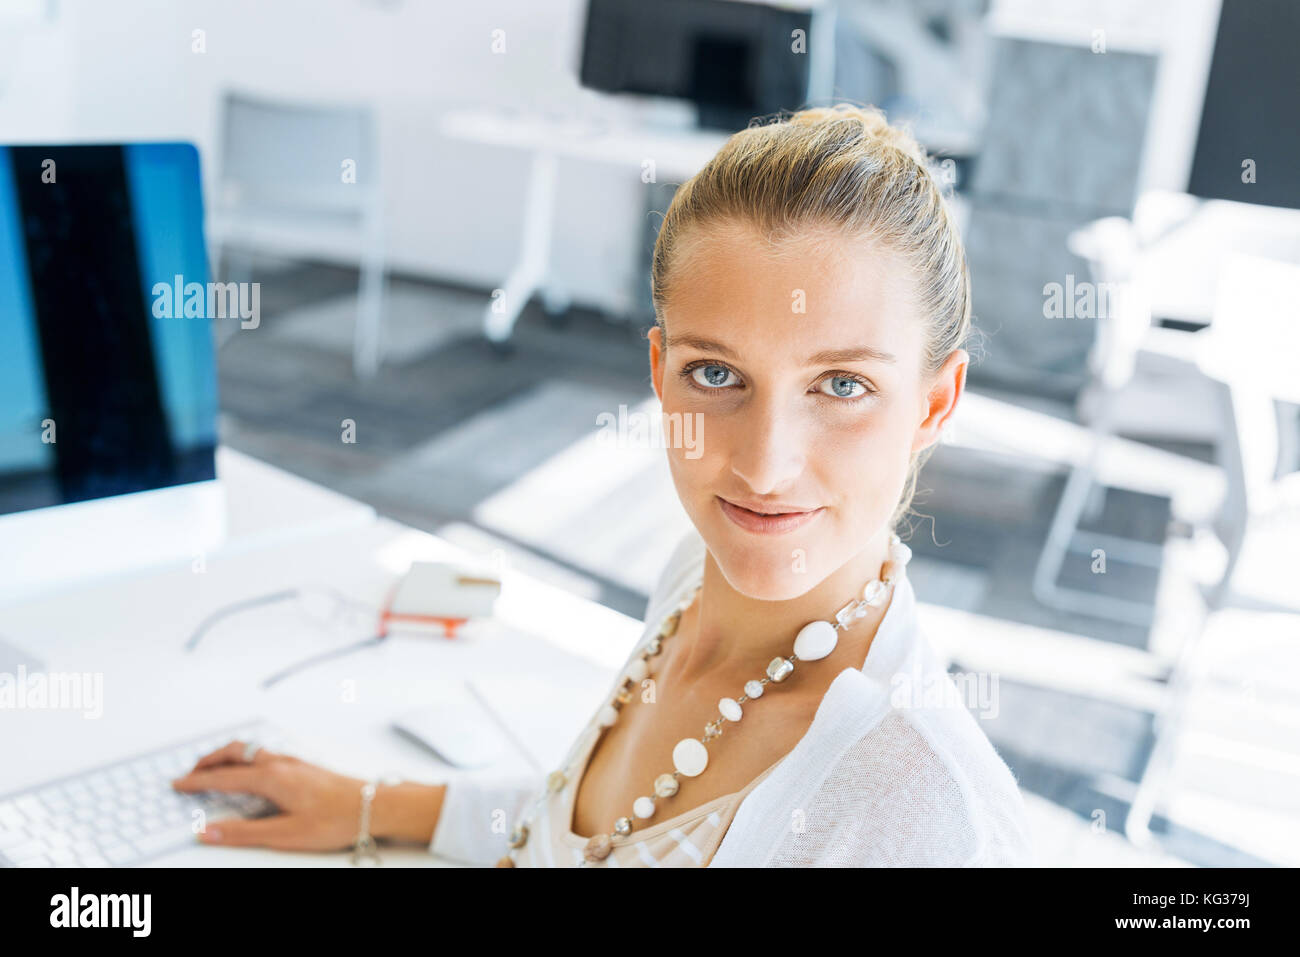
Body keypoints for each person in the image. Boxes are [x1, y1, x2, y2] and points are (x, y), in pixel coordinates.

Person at [172, 103, 1036, 867]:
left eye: (842, 386)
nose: (764, 467)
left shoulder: (916, 808)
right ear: (660, 374)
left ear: (933, 402)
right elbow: (600, 828)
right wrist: (373, 805)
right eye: (716, 374)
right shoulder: (699, 572)